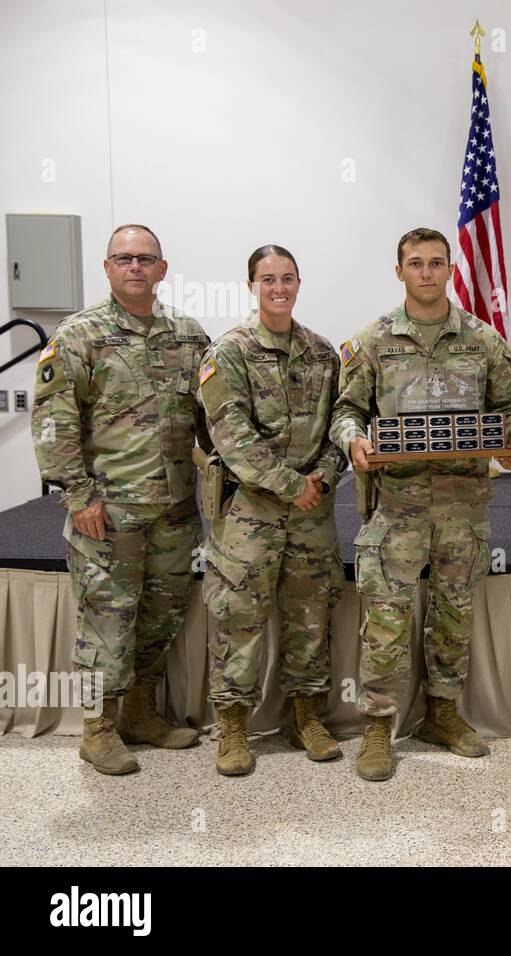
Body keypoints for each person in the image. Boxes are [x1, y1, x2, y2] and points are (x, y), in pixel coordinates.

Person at [330, 227, 511, 782]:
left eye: (436, 263)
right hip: (395, 510)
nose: (426, 272)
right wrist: (354, 441)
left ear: (449, 270)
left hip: (464, 509)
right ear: (399, 271)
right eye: (415, 263)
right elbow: (345, 411)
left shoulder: (483, 342)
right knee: (386, 621)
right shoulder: (372, 341)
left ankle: (443, 713)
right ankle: (376, 726)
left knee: (453, 616)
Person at [31, 224, 207, 774]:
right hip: (108, 511)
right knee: (106, 624)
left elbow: (213, 417)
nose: (135, 267)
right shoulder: (80, 334)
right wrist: (78, 496)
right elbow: (53, 419)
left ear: (162, 269)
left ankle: (139, 712)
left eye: (146, 259)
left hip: (176, 510)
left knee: (161, 618)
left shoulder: (189, 335)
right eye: (124, 258)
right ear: (107, 268)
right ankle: (97, 728)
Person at [197, 245, 347, 775]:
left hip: (312, 512)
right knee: (238, 619)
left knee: (311, 617)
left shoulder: (324, 354)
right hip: (251, 514)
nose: (278, 288)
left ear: (299, 283)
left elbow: (340, 427)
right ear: (251, 287)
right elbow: (230, 435)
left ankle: (307, 716)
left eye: (287, 278)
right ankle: (233, 726)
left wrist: (325, 476)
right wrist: (290, 484)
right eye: (267, 279)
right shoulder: (228, 352)